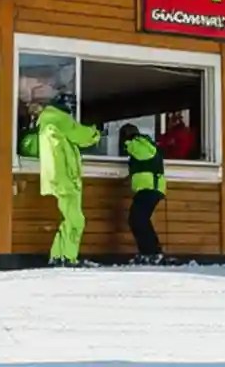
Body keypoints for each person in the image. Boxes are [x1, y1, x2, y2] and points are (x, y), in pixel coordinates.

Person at [35, 93, 102, 267]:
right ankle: (68, 257)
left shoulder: (47, 120)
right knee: (76, 220)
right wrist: (96, 131)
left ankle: (58, 256)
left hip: (56, 177)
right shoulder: (60, 119)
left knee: (68, 218)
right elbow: (81, 135)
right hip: (65, 177)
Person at [118, 124, 167, 263]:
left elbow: (140, 152)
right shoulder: (145, 144)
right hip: (150, 188)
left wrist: (126, 144)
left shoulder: (140, 144)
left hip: (149, 188)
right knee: (140, 220)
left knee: (137, 220)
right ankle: (151, 252)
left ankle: (152, 253)